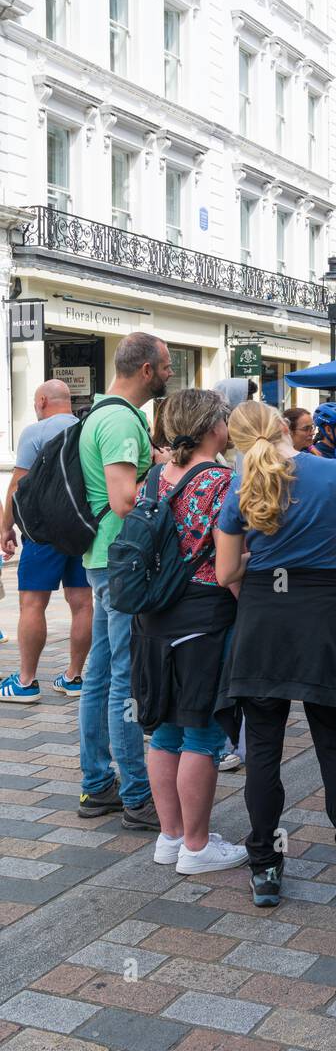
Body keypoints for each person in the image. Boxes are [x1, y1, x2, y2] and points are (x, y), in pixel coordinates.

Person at [215, 401, 336, 908]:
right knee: (334, 745)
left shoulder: (241, 486)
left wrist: (256, 556)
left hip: (264, 619)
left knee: (262, 749)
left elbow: (224, 575)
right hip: (319, 616)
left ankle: (264, 867)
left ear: (238, 444)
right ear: (285, 427)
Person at [128, 388, 247, 873]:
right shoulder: (223, 482)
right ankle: (197, 847)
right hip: (202, 616)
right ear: (212, 428)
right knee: (201, 732)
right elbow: (227, 566)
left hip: (152, 616)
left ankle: (170, 837)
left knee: (163, 731)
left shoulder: (153, 478)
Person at [77, 332, 174, 830]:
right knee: (123, 675)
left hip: (103, 556)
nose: (170, 373)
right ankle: (137, 793)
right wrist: (164, 476)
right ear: (145, 370)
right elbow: (123, 501)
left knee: (98, 671)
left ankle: (97, 782)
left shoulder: (105, 413)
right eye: (165, 366)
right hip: (123, 558)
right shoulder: (119, 420)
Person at [0, 381, 92, 703]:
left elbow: (17, 484)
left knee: (32, 604)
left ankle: (25, 682)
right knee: (82, 603)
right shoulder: (87, 428)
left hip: (43, 532)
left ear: (41, 401)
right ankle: (74, 676)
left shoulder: (35, 433)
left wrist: (5, 528)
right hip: (83, 531)